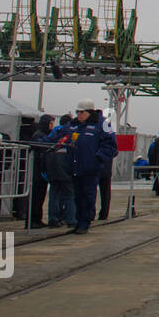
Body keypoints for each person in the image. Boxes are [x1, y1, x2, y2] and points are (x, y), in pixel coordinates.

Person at [60, 100, 118, 234]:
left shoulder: (103, 125)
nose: (79, 115)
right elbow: (57, 137)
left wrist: (98, 158)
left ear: (90, 112)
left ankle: (84, 223)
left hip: (91, 169)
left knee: (88, 196)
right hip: (75, 168)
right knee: (77, 197)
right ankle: (78, 221)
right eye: (77, 112)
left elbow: (112, 146)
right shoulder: (72, 126)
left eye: (82, 112)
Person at [23, 114, 54, 227]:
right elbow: (41, 147)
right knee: (35, 197)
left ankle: (37, 218)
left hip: (42, 169)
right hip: (37, 169)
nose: (52, 126)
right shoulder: (39, 135)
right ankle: (31, 220)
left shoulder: (45, 134)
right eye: (51, 123)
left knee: (40, 196)